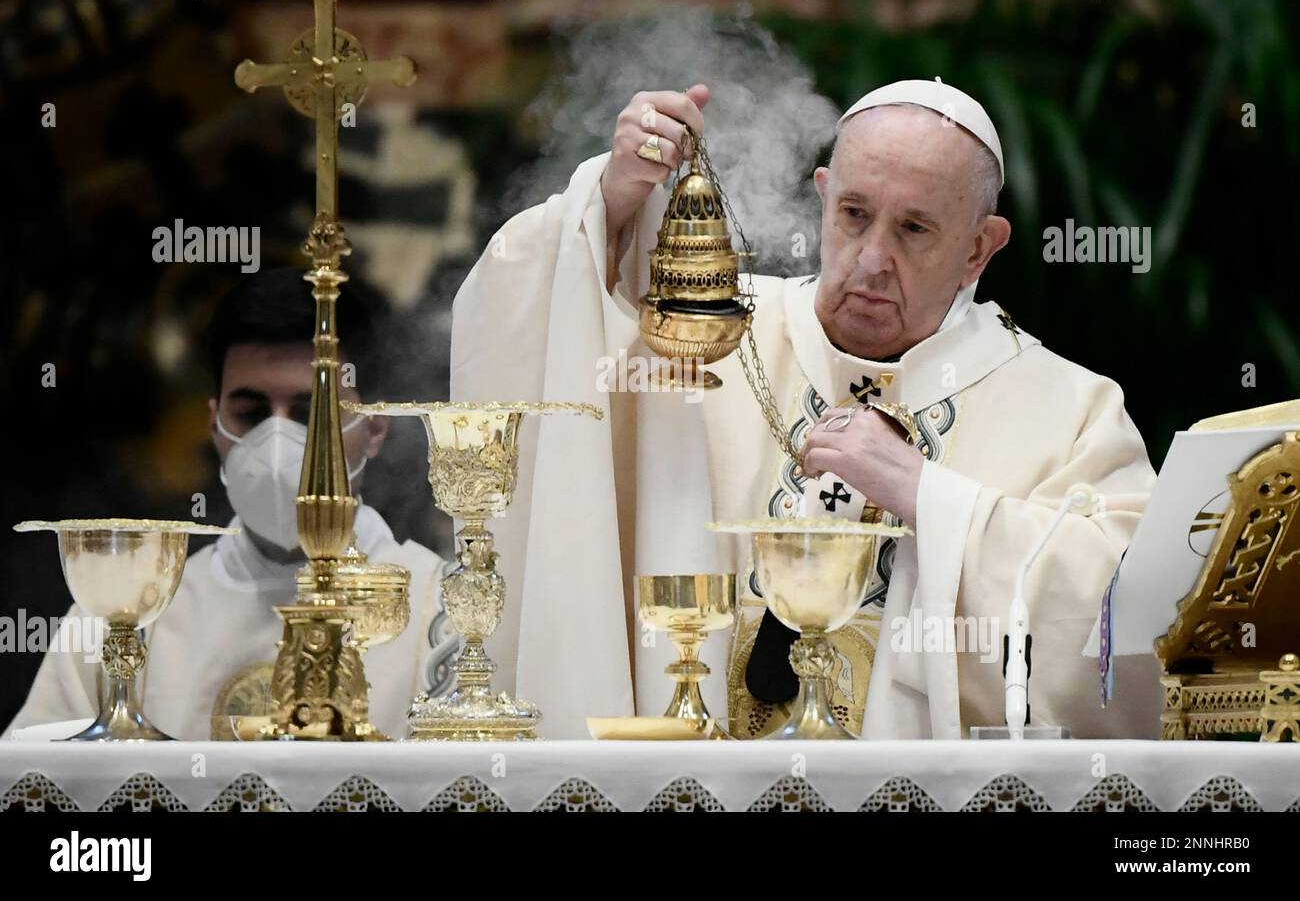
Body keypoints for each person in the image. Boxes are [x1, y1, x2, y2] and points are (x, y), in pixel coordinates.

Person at [452, 78, 1163, 739]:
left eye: (914, 230)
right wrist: (611, 202)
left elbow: (1131, 620)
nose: (872, 258)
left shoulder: (1068, 407)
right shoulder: (706, 335)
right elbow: (539, 320)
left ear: (980, 248)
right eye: (854, 214)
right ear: (824, 196)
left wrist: (929, 497)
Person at [5, 267, 457, 740]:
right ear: (213, 423)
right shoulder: (123, 616)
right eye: (251, 414)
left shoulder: (442, 616)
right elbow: (37, 785)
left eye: (309, 414)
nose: (278, 442)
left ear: (375, 428)